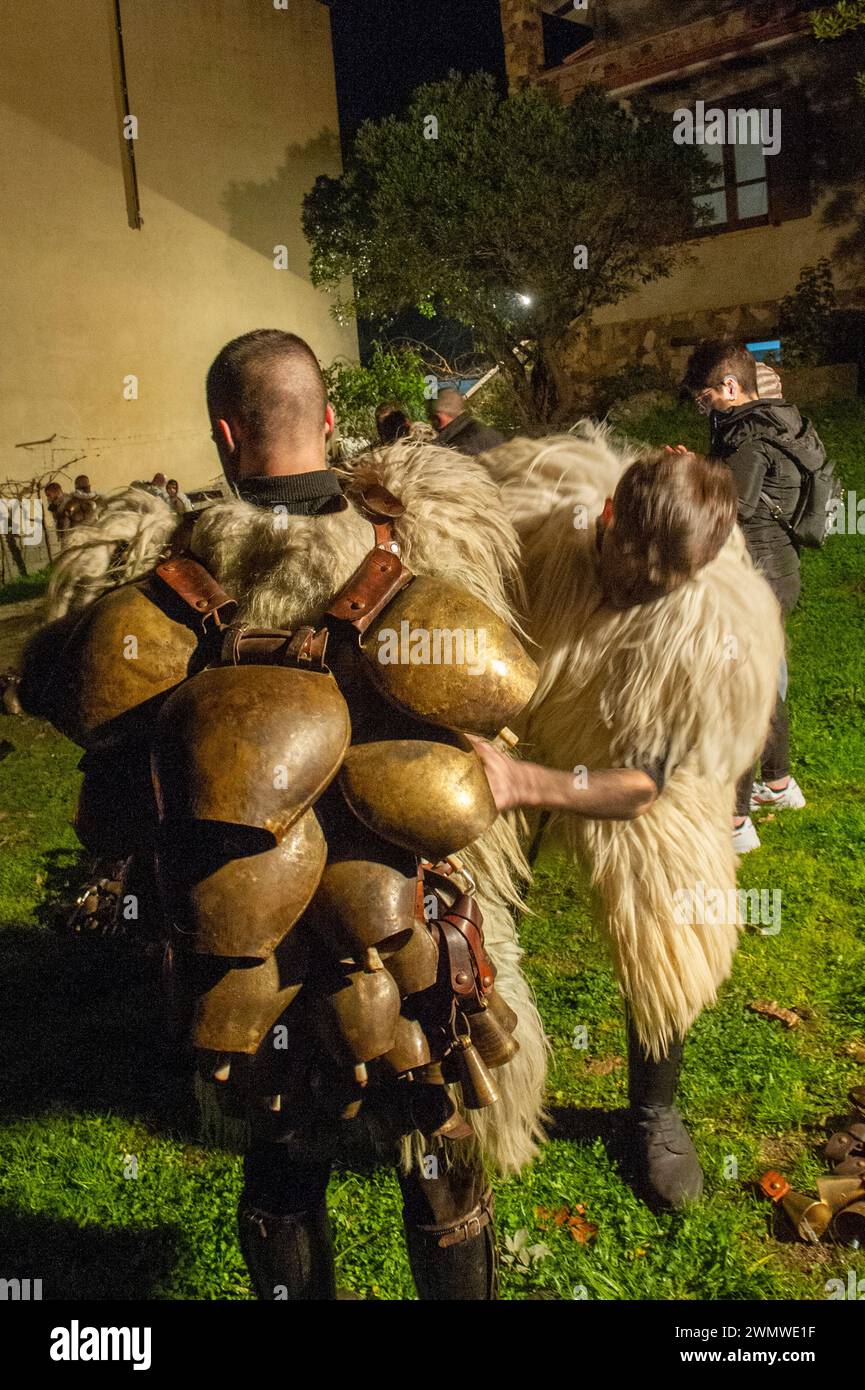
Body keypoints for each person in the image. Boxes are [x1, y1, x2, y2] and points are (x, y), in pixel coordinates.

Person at [20, 328, 546, 1300]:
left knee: (279, 1148)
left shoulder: (162, 562)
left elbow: (66, 690)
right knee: (434, 1146)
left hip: (243, 940)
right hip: (404, 931)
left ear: (224, 432)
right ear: (332, 419)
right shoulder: (424, 532)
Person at [475, 431, 782, 1209]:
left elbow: (637, 787)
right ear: (606, 513)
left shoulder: (706, 636)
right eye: (619, 568)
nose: (626, 594)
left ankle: (652, 1109)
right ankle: (477, 1059)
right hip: (534, 718)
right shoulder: (543, 527)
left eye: (654, 585)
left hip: (646, 770)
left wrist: (522, 783)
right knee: (468, 888)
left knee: (671, 924)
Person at [680, 340, 823, 853]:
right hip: (779, 571)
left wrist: (690, 483)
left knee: (738, 693)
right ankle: (780, 785)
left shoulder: (748, 440)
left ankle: (736, 823)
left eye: (707, 397)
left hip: (753, 580)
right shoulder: (779, 422)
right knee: (768, 681)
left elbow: (729, 510)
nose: (706, 406)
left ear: (731, 388)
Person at [428, 388, 504, 457]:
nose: (430, 424)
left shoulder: (455, 449)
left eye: (430, 418)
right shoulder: (491, 434)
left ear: (439, 417)